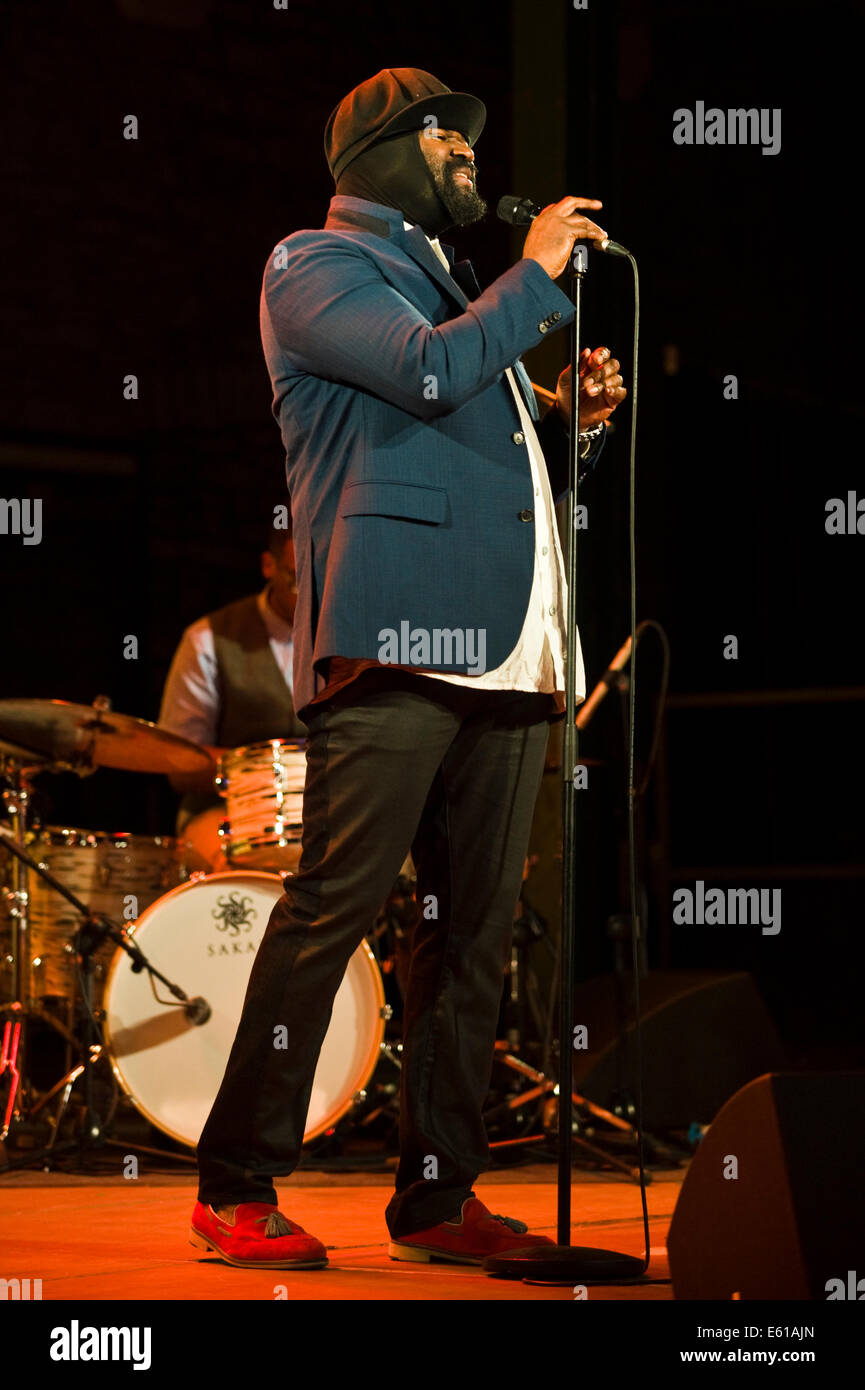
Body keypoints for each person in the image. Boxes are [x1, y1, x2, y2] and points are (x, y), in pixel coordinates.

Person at [189, 67, 627, 1271]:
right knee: (330, 912)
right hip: (395, 638)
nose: (466, 156)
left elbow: (484, 445)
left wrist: (562, 422)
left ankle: (437, 1198)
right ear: (381, 153)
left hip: (511, 651)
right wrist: (534, 277)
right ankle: (234, 1182)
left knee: (473, 935)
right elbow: (430, 374)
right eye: (445, 137)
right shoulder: (314, 266)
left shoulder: (444, 291)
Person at [158, 518, 306, 861]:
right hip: (227, 813)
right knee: (228, 876)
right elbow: (179, 762)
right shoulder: (208, 639)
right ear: (268, 565)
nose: (313, 593)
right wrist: (264, 776)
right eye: (298, 579)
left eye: (324, 577)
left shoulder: (352, 634)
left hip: (330, 814)